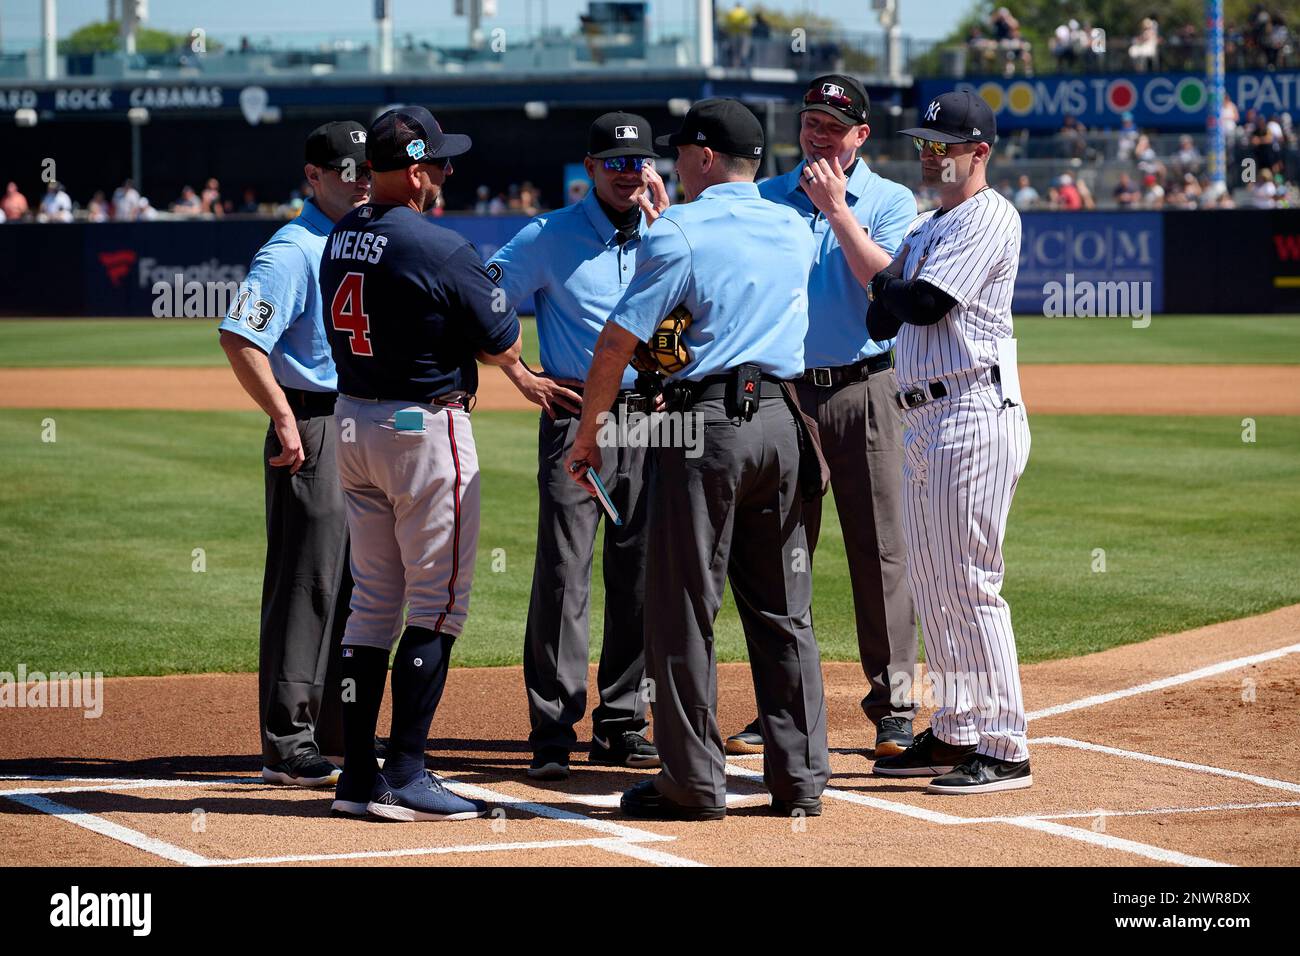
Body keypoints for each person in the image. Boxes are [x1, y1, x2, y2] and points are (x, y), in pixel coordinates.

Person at [564, 98, 829, 820]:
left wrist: (589, 435)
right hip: (784, 419)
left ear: (705, 158)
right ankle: (801, 778)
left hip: (704, 428)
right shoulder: (793, 223)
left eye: (681, 151)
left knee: (684, 608)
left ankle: (691, 781)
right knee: (783, 611)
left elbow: (619, 344)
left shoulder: (679, 229)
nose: (670, 161)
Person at [320, 106, 522, 822]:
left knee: (372, 607)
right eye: (437, 163)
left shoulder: (341, 233)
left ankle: (356, 778)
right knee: (436, 606)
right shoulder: (440, 245)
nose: (444, 173)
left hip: (352, 425)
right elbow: (502, 333)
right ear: (412, 171)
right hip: (423, 428)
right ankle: (406, 771)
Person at [728, 74, 919, 761]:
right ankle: (780, 707)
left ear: (861, 136)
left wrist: (838, 208)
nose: (818, 133)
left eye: (833, 126)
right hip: (782, 393)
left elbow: (886, 290)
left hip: (864, 388)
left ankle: (894, 706)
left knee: (882, 553)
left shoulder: (892, 201)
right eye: (811, 121)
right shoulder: (765, 197)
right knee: (778, 551)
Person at [488, 112, 671, 781]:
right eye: (614, 163)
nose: (628, 175)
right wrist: (520, 373)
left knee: (642, 571)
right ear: (590, 168)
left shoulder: (670, 232)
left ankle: (623, 722)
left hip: (653, 418)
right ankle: (554, 727)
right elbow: (479, 300)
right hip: (575, 416)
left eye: (638, 163)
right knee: (565, 572)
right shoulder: (549, 235)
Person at [865, 90, 1033, 794]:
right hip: (926, 417)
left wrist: (887, 279)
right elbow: (882, 321)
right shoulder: (931, 224)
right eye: (926, 146)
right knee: (935, 584)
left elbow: (923, 304)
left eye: (946, 147)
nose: (932, 157)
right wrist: (891, 284)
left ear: (980, 152)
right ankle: (960, 724)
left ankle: (1004, 745)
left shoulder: (991, 216)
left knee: (969, 582)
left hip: (973, 408)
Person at [218, 121, 372, 789]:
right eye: (347, 170)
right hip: (312, 423)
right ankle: (288, 740)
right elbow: (239, 336)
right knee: (308, 584)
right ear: (313, 176)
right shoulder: (292, 249)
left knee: (361, 584)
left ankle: (334, 729)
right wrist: (282, 418)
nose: (362, 179)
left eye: (370, 168)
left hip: (366, 423)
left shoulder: (362, 238)